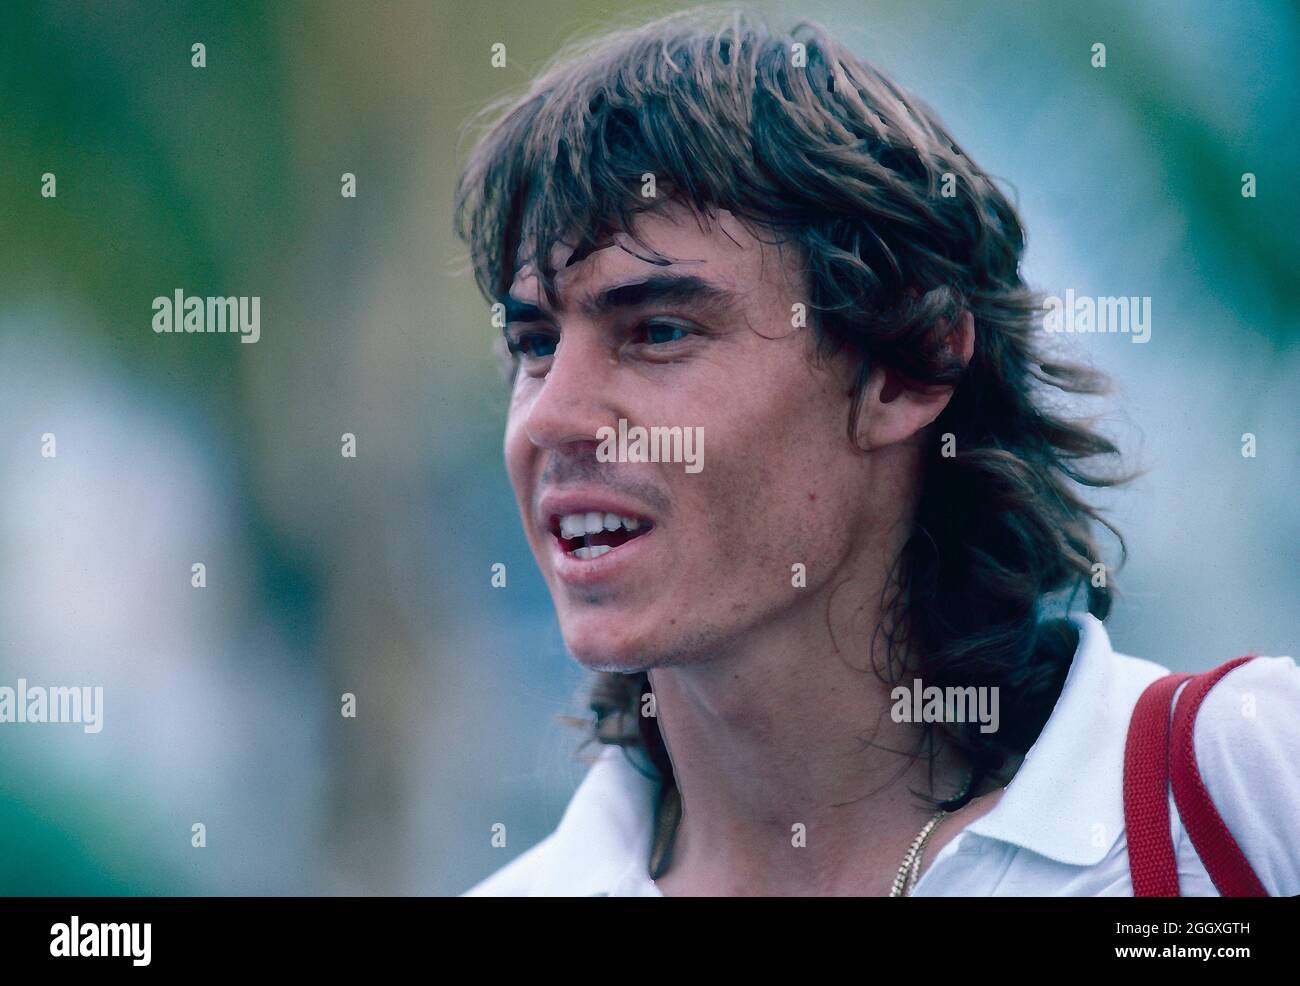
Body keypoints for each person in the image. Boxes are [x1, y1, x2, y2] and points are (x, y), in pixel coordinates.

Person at [452, 8, 1299, 896]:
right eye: (535, 344)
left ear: (909, 368)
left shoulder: (1239, 794)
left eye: (659, 330)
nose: (551, 416)